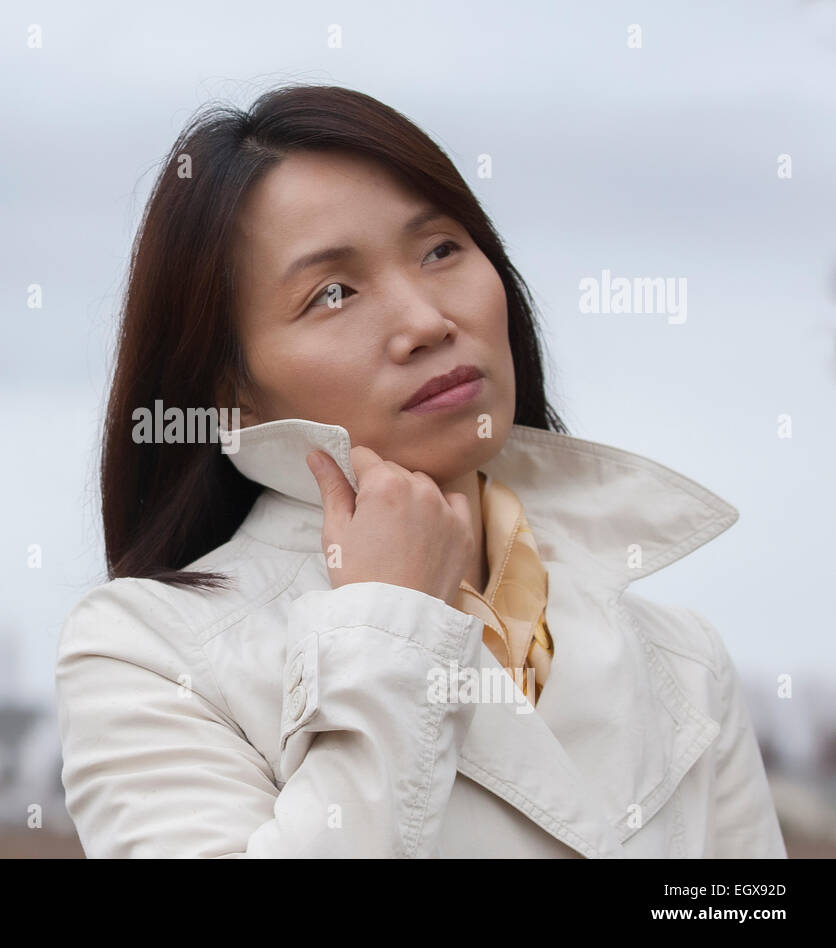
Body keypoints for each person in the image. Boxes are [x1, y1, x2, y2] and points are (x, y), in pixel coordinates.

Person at [54, 84, 786, 858]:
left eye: (441, 250)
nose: (425, 321)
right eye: (332, 294)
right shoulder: (151, 654)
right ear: (228, 392)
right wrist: (388, 622)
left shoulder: (681, 658)